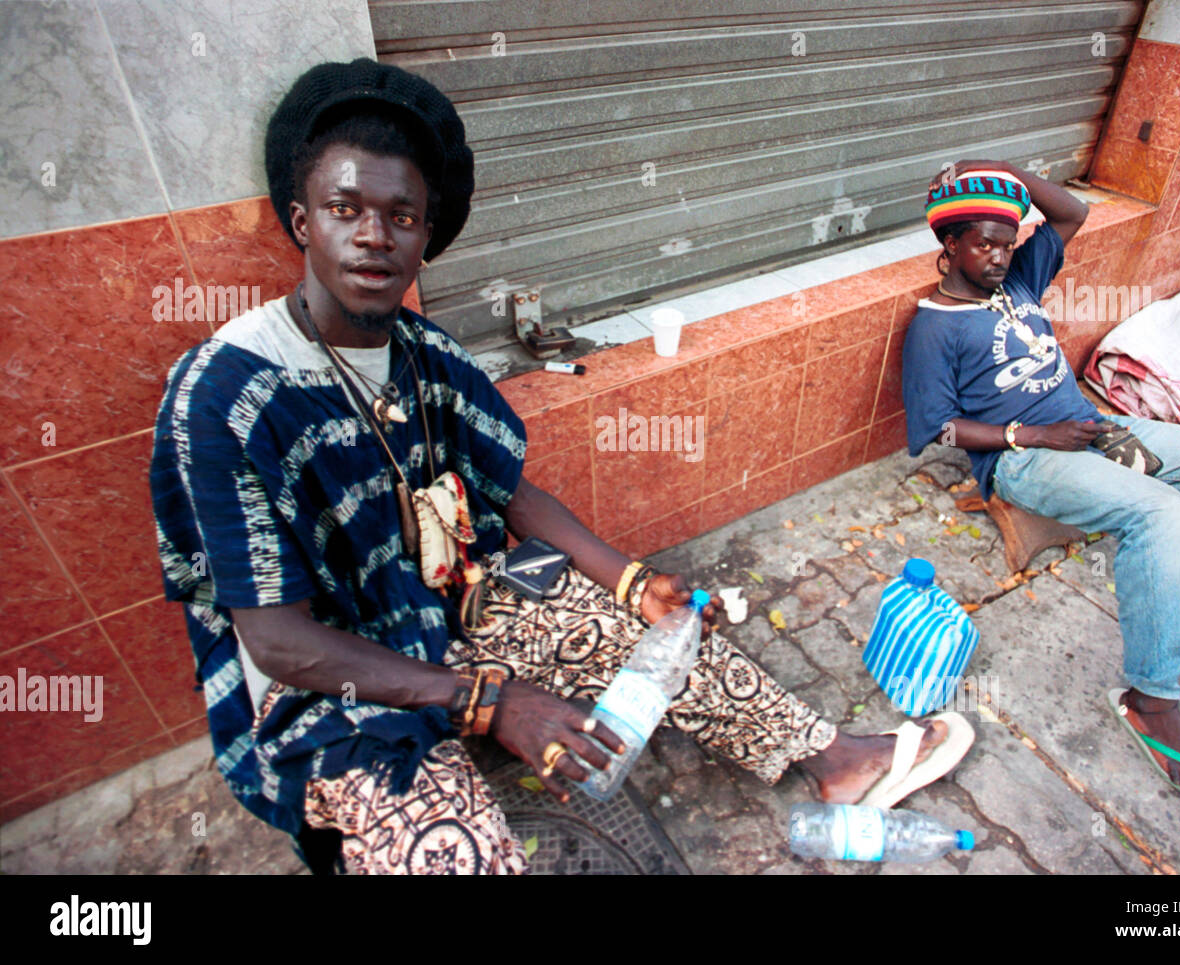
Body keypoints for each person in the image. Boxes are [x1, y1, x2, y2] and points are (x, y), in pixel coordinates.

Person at [150, 58, 966, 874]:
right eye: (344, 209)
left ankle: (832, 757)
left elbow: (508, 492)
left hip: (450, 607)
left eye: (401, 216)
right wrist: (489, 700)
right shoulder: (225, 397)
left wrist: (632, 581)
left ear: (426, 238)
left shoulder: (423, 353)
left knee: (661, 634)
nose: (373, 235)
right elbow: (278, 640)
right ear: (301, 221)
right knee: (455, 852)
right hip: (331, 681)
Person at [902, 160, 1180, 802]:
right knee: (1160, 512)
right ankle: (1151, 696)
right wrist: (1030, 436)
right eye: (984, 245)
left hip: (1093, 426)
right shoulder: (933, 328)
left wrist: (1005, 174)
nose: (1001, 257)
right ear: (949, 247)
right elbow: (934, 431)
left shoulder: (1018, 282)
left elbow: (1071, 213)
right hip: (1028, 460)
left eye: (1007, 244)